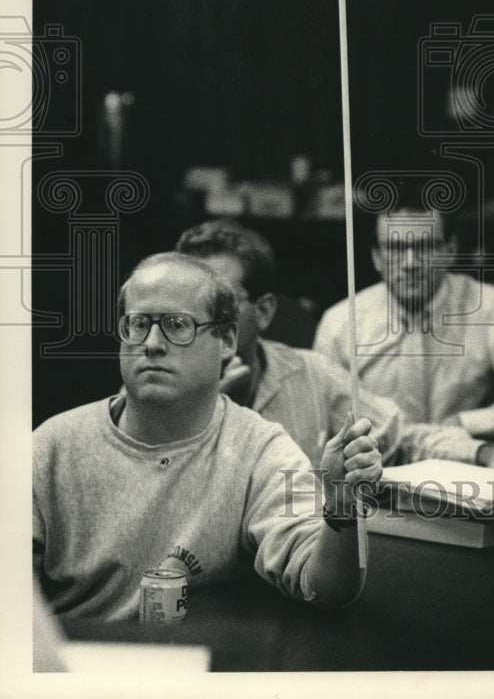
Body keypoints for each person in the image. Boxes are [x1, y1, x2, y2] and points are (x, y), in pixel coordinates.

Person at [33, 253, 383, 621]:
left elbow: (328, 587)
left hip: (196, 665)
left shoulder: (260, 449)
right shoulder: (51, 446)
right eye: (137, 324)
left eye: (177, 324)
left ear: (227, 339)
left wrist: (342, 508)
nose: (151, 343)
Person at [176, 220, 494, 470]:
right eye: (183, 307)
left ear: (265, 310)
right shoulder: (154, 392)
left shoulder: (311, 374)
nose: (197, 322)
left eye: (221, 304)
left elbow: (400, 438)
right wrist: (206, 420)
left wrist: (481, 452)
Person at [314, 190, 494, 442]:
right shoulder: (340, 323)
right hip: (375, 470)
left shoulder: (489, 307)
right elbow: (319, 421)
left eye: (425, 246)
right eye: (395, 248)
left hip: (467, 464)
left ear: (451, 250)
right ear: (376, 257)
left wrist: (471, 423)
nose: (410, 263)